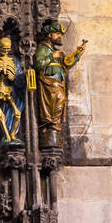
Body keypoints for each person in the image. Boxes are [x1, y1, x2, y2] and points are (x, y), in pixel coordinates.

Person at [34, 19, 86, 149]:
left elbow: (66, 64)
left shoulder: (54, 50)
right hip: (48, 82)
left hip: (58, 81)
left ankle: (53, 123)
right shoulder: (44, 49)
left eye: (60, 34)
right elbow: (38, 64)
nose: (60, 36)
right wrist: (53, 56)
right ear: (49, 35)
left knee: (60, 100)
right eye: (57, 34)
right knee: (58, 99)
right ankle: (49, 124)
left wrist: (77, 54)